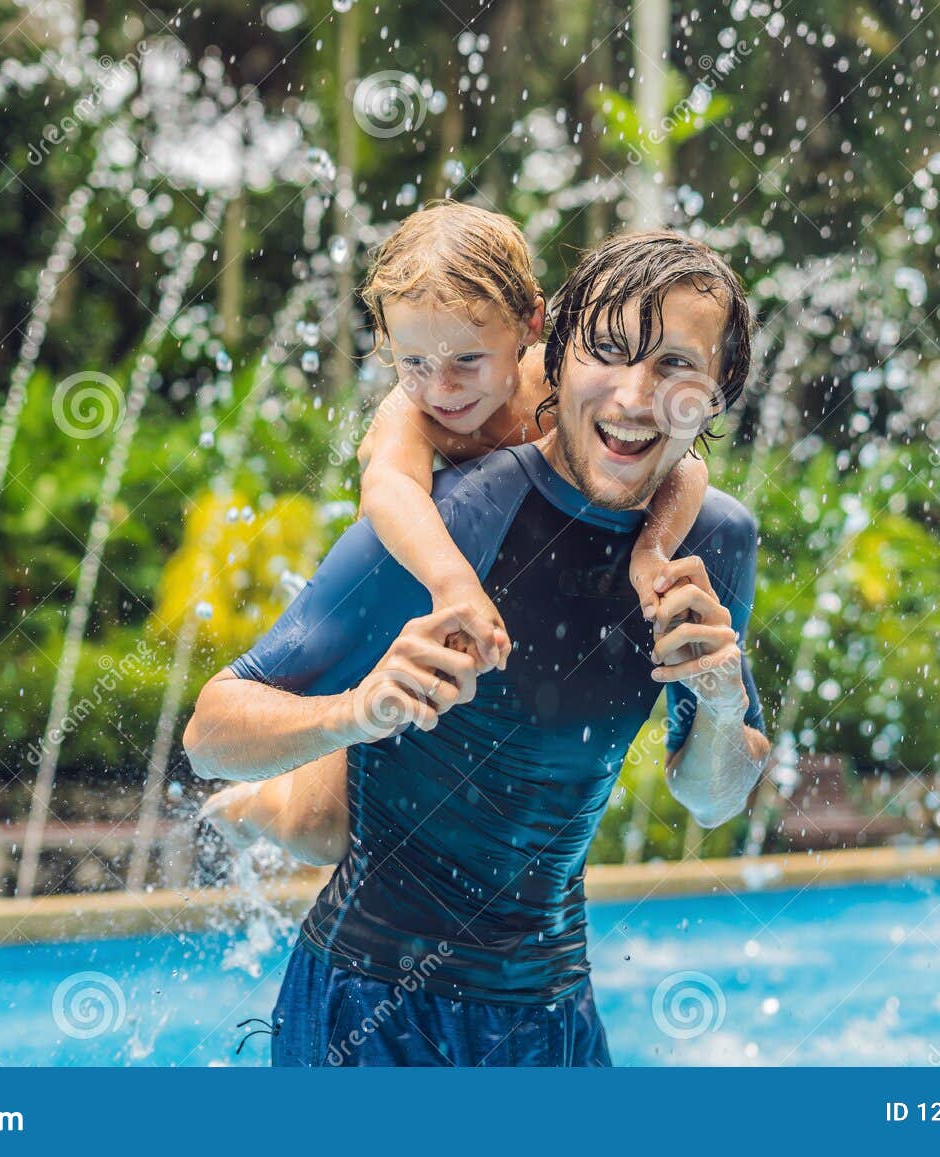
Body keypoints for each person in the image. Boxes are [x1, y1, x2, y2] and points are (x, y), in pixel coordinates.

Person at [183, 229, 770, 1067]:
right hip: (369, 1007)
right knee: (316, 810)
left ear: (719, 395)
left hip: (553, 1018)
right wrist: (357, 709)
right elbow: (209, 730)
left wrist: (719, 704)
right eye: (608, 352)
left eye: (676, 365)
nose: (637, 397)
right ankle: (262, 810)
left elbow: (712, 799)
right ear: (556, 354)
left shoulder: (714, 544)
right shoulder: (456, 516)